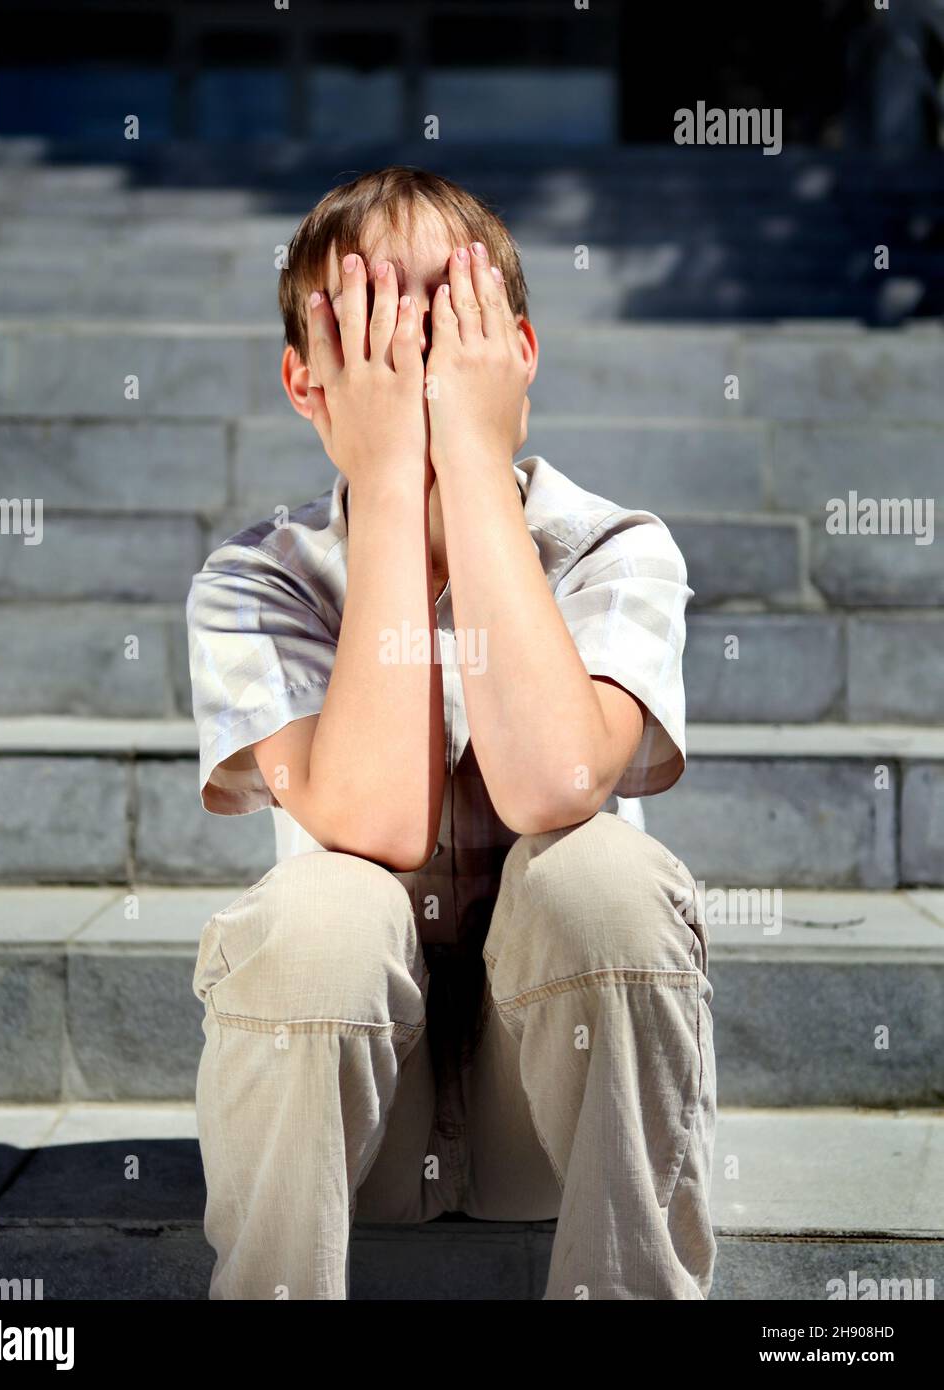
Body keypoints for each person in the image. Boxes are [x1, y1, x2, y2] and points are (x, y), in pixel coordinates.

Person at [186, 166, 716, 1300]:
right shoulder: (255, 581)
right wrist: (384, 489)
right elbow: (373, 823)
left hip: (555, 1111)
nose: (412, 357)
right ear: (304, 377)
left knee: (608, 873)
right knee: (318, 905)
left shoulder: (612, 548)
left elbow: (551, 785)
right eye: (372, 319)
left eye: (444, 317)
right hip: (364, 1119)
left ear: (512, 351)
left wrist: (470, 465)